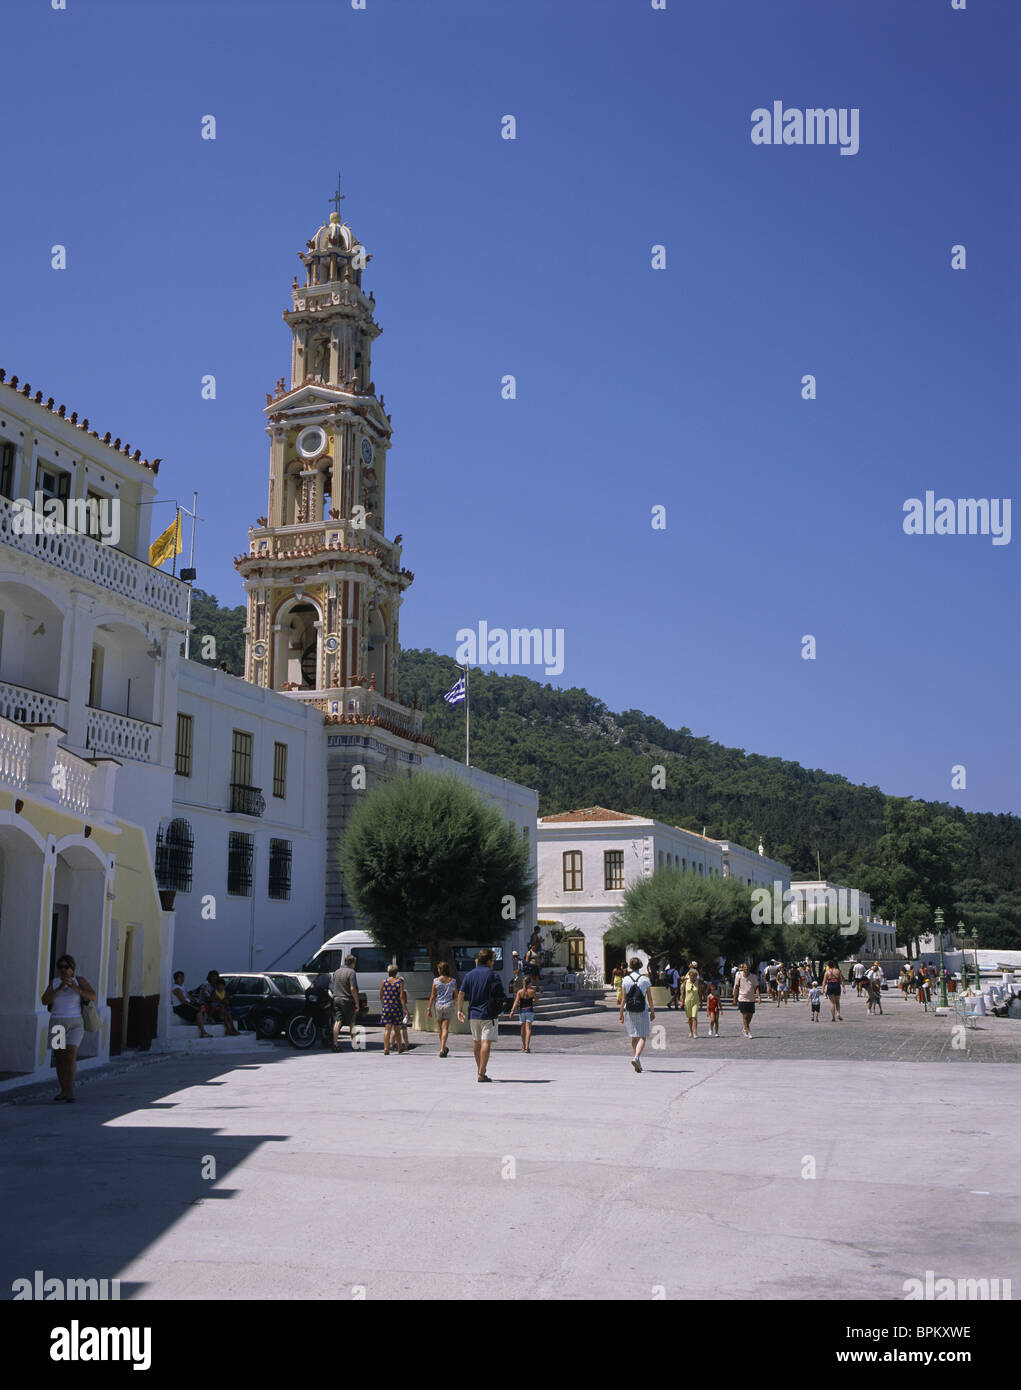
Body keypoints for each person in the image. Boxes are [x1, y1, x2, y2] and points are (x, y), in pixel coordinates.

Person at [41, 954, 97, 1102]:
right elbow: (44, 1001)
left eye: (67, 967)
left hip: (75, 1023)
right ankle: (63, 1090)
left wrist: (76, 988)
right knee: (59, 1057)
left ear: (73, 968)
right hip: (57, 1022)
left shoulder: (80, 981)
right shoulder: (54, 982)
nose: (64, 970)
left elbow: (93, 996)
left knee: (71, 1055)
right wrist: (59, 988)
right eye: (61, 967)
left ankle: (70, 1090)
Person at [456, 948, 505, 1082]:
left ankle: (480, 1071)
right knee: (486, 1042)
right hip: (488, 1014)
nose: (493, 962)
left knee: (476, 1043)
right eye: (493, 960)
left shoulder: (469, 975)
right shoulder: (493, 975)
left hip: (473, 1014)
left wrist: (459, 1010)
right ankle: (481, 1072)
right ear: (489, 961)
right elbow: (500, 993)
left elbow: (461, 993)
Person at [618, 957, 654, 1072]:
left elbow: (623, 999)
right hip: (642, 1009)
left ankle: (636, 1059)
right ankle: (637, 1057)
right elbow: (650, 998)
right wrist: (652, 1011)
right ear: (640, 966)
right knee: (643, 1035)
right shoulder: (645, 979)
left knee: (634, 1036)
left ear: (630, 966)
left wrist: (620, 1014)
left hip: (629, 1010)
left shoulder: (626, 979)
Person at [426, 961, 457, 1057]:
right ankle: (442, 1048)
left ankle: (442, 1047)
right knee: (445, 1028)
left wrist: (428, 1008)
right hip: (448, 1005)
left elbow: (432, 995)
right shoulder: (453, 981)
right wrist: (454, 1003)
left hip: (438, 1005)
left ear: (440, 970)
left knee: (441, 1029)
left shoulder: (435, 981)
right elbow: (456, 995)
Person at [331, 955, 360, 1051]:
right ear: (352, 963)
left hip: (336, 999)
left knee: (337, 1021)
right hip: (347, 1000)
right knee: (352, 1023)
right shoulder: (351, 972)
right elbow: (352, 988)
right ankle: (355, 1045)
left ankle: (335, 1044)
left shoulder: (337, 972)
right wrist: (357, 1002)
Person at [378, 964, 408, 1054]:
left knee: (387, 1029)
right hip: (396, 1008)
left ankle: (386, 1048)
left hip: (387, 1007)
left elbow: (381, 995)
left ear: (388, 972)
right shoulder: (399, 982)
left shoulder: (384, 982)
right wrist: (405, 1009)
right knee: (397, 1030)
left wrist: (384, 1004)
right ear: (396, 972)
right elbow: (401, 997)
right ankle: (399, 1048)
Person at [171, 971, 210, 1038]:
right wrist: (194, 1007)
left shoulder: (182, 986)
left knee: (202, 1006)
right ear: (176, 979)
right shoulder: (176, 988)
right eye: (180, 977)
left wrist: (197, 1002)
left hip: (186, 1005)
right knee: (198, 1012)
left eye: (183, 977)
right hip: (179, 1007)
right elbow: (183, 1001)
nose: (182, 979)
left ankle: (198, 1020)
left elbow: (188, 996)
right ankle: (203, 1032)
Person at [198, 970, 239, 1035]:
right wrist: (221, 1001)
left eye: (216, 977)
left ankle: (232, 1029)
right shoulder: (206, 985)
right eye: (213, 977)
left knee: (228, 1013)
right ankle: (228, 1029)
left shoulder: (216, 986)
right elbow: (209, 999)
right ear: (209, 977)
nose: (214, 978)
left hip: (217, 1004)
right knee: (223, 1010)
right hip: (206, 1004)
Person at [509, 973, 540, 1053]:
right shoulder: (532, 991)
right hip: (529, 1011)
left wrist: (512, 1011)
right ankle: (527, 1047)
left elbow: (516, 1002)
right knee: (528, 1029)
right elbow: (537, 1001)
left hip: (522, 1011)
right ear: (529, 983)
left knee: (522, 1029)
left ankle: (523, 1045)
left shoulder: (519, 992)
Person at [733, 961, 760, 1038]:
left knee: (750, 1015)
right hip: (742, 998)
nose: (746, 969)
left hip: (751, 999)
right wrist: (734, 999)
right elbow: (736, 987)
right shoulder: (739, 976)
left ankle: (745, 1028)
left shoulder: (753, 977)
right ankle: (749, 1032)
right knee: (745, 1015)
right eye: (745, 968)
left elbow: (756, 987)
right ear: (743, 969)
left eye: (747, 968)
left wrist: (759, 997)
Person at [682, 966, 700, 1038]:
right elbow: (682, 991)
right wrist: (682, 1001)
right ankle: (690, 1031)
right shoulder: (686, 982)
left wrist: (701, 1002)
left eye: (694, 976)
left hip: (695, 1001)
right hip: (687, 1001)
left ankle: (695, 1032)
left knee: (694, 1017)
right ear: (689, 975)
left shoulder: (698, 982)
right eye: (691, 976)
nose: (693, 977)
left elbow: (700, 992)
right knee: (689, 1018)